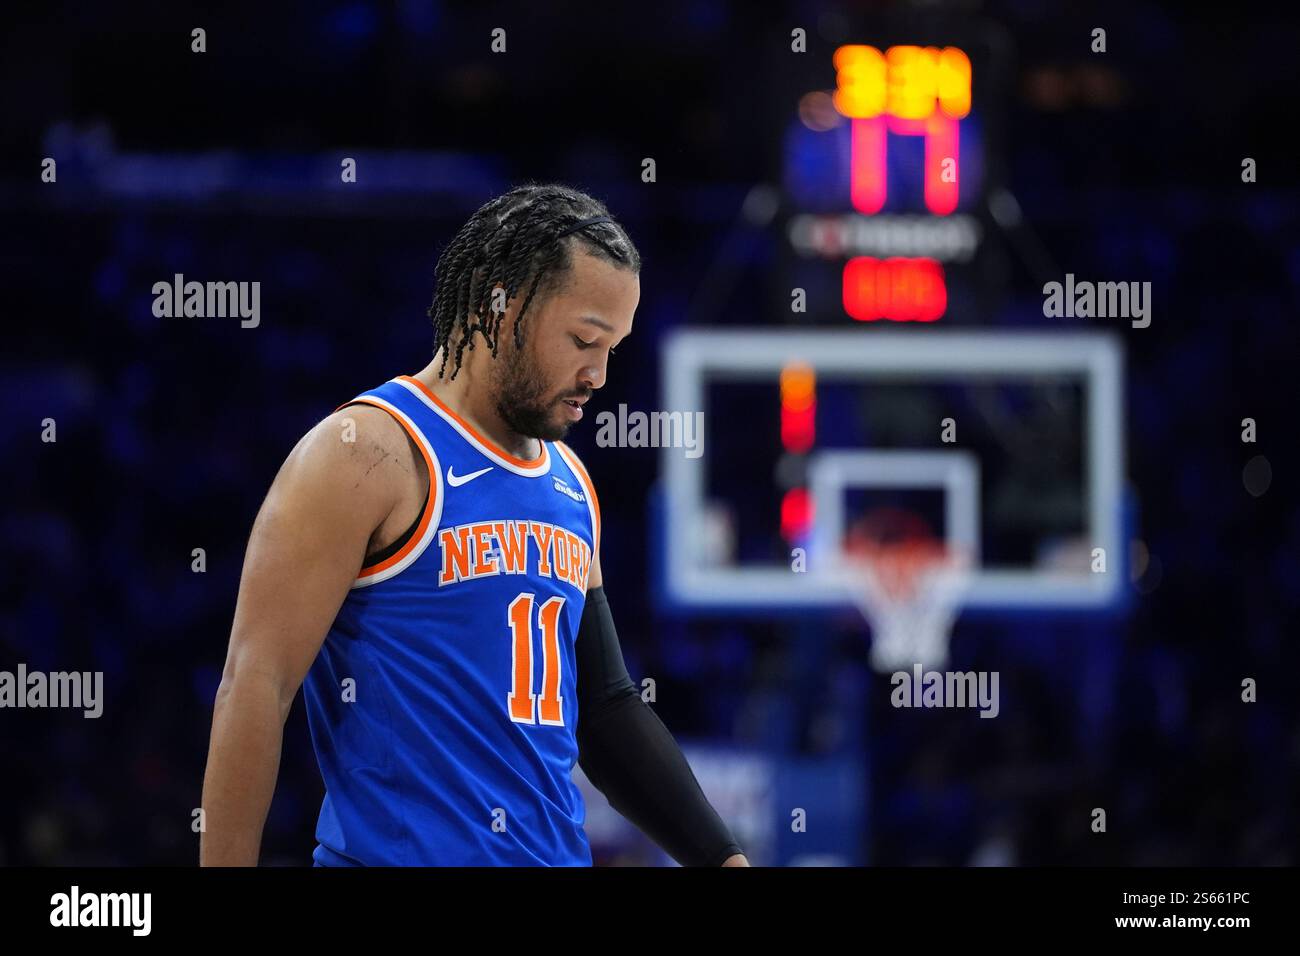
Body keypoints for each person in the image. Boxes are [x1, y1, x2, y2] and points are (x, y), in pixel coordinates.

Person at [200, 183, 748, 867]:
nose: (599, 373)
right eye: (585, 340)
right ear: (501, 303)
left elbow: (606, 709)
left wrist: (723, 858)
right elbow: (256, 684)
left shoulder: (569, 483)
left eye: (614, 348)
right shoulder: (367, 452)